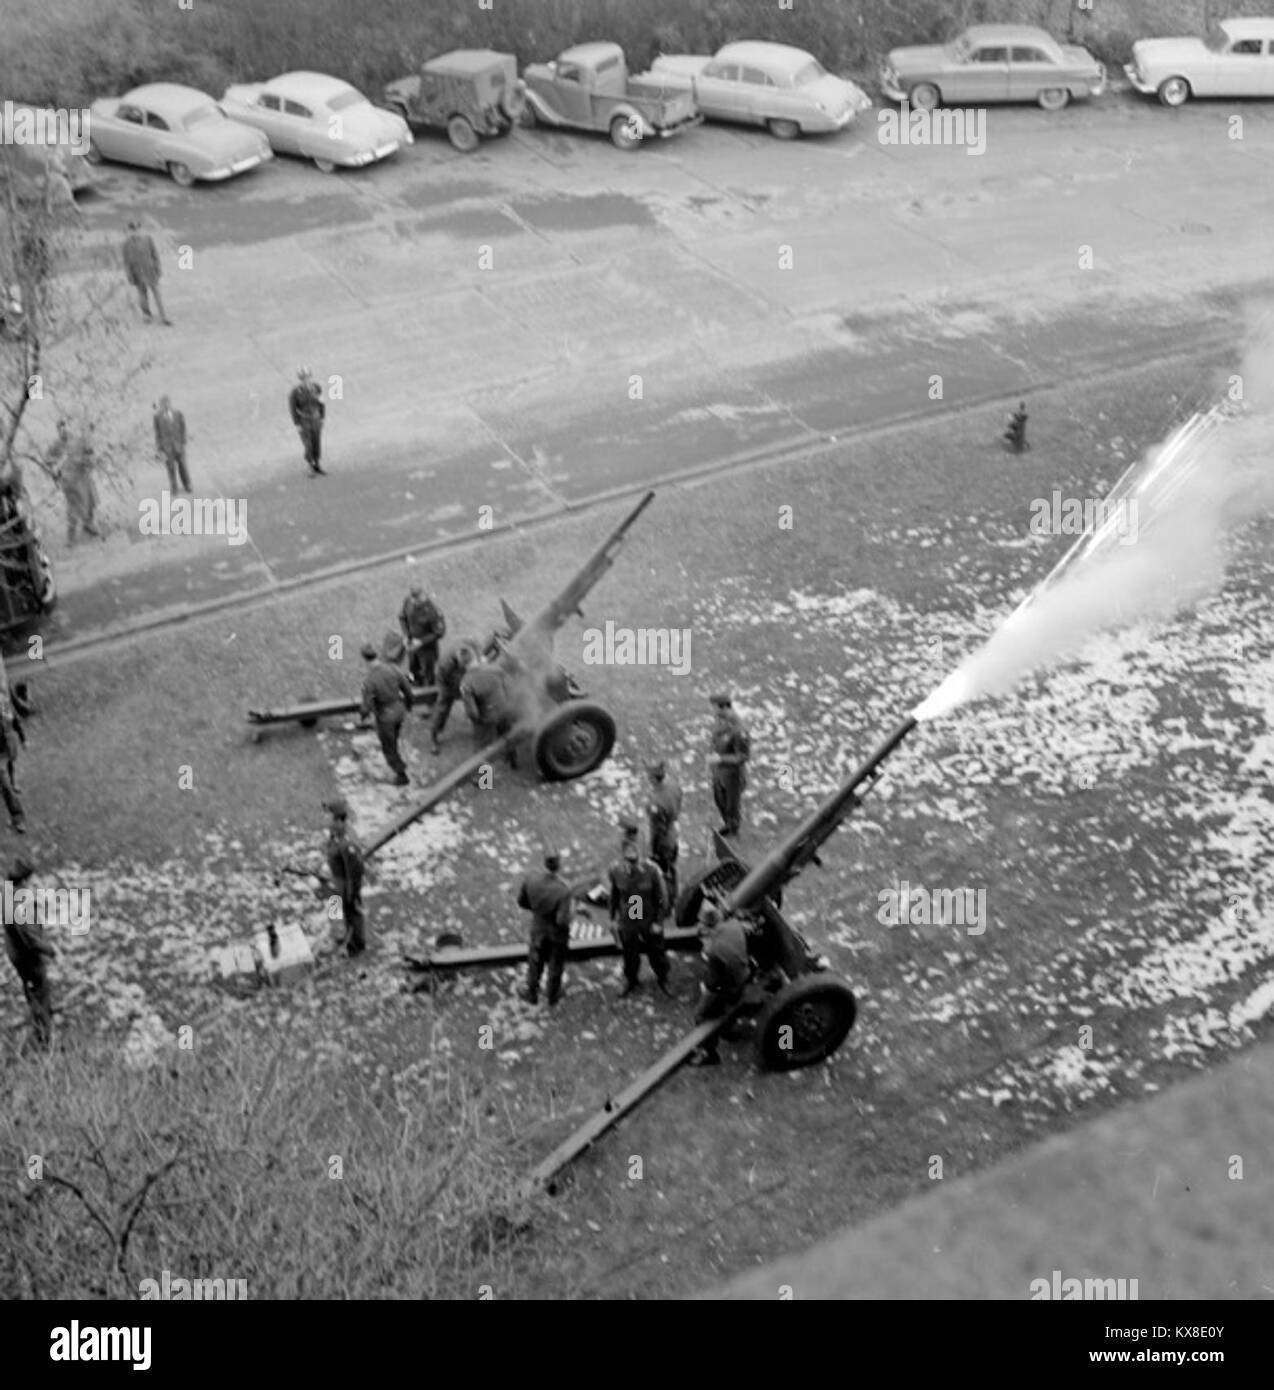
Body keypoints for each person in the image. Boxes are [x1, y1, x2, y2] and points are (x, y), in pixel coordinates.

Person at [688, 903, 751, 1067]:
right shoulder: (735, 925)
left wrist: (705, 988)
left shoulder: (713, 950)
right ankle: (728, 1031)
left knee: (700, 1016)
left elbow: (713, 983)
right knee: (730, 1007)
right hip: (743, 975)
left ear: (707, 927)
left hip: (728, 986)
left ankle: (710, 1054)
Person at [3, 856, 54, 1049]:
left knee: (33, 990)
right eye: (31, 878)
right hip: (27, 957)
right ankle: (44, 1041)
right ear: (24, 880)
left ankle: (40, 1021)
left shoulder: (9, 894)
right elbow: (30, 938)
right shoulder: (21, 902)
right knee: (40, 991)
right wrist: (50, 950)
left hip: (16, 953)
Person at [608, 840, 671, 997]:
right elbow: (614, 895)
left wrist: (659, 922)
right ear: (623, 858)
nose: (632, 863)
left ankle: (663, 978)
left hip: (648, 919)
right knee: (629, 953)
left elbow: (663, 899)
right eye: (628, 860)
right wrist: (612, 918)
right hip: (628, 920)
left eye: (635, 859)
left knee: (656, 952)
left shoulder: (652, 871)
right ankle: (631, 980)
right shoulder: (616, 871)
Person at [517, 850, 574, 1006]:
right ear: (559, 864)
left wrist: (538, 911)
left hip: (538, 928)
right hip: (557, 935)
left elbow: (522, 902)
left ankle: (531, 992)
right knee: (556, 964)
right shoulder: (563, 890)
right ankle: (552, 995)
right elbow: (562, 920)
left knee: (535, 961)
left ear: (544, 862)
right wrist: (574, 913)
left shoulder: (531, 879)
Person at [359, 641, 413, 785]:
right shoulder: (393, 669)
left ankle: (401, 775)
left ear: (365, 660)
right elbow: (407, 690)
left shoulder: (369, 681)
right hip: (400, 711)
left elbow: (366, 706)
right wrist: (408, 706)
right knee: (393, 738)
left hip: (385, 717)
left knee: (388, 747)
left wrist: (363, 716)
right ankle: (396, 751)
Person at [322, 797, 366, 957]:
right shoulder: (336, 834)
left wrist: (351, 894)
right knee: (334, 908)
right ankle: (338, 936)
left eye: (329, 816)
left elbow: (354, 872)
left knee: (351, 914)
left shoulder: (348, 843)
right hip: (335, 882)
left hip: (345, 886)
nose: (326, 820)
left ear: (339, 819)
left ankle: (355, 945)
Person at [46, 418, 100, 545]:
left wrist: (87, 463)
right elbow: (47, 459)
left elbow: (89, 453)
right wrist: (55, 468)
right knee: (72, 508)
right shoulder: (56, 445)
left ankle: (88, 526)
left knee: (89, 501)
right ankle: (71, 538)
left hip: (82, 477)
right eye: (60, 428)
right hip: (68, 481)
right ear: (58, 431)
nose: (63, 431)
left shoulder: (76, 440)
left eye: (64, 427)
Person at [708, 693, 750, 837]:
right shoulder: (721, 720)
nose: (712, 711)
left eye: (714, 707)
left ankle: (733, 832)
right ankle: (727, 825)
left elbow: (743, 756)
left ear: (724, 707)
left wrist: (720, 759)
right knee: (720, 802)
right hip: (719, 774)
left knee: (732, 808)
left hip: (733, 776)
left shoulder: (739, 729)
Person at [429, 638, 478, 753]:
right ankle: (434, 736)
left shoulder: (470, 647)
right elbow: (441, 681)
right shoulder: (445, 664)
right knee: (441, 711)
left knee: (475, 706)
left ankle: (479, 729)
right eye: (463, 665)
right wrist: (449, 693)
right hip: (449, 687)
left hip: (466, 683)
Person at [645, 760, 682, 904]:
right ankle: (673, 896)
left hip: (663, 840)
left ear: (653, 779)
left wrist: (653, 851)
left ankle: (665, 901)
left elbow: (658, 830)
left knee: (662, 870)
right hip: (673, 831)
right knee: (671, 867)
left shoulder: (657, 802)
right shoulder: (673, 785)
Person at [122, 220, 169, 325]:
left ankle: (163, 315)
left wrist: (158, 267)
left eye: (137, 229)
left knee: (156, 292)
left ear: (140, 229)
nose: (135, 231)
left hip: (150, 270)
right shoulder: (126, 244)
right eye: (132, 230)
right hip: (137, 272)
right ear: (129, 231)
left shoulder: (148, 239)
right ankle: (147, 314)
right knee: (142, 294)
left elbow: (155, 254)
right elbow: (126, 262)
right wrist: (129, 275)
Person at [399, 585, 446, 687]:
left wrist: (421, 642)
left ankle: (429, 692)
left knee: (428, 673)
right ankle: (415, 682)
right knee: (413, 667)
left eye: (418, 600)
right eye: (413, 600)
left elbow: (439, 632)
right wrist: (406, 635)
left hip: (427, 650)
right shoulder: (408, 601)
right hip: (412, 645)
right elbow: (402, 617)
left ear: (423, 596)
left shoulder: (432, 611)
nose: (415, 603)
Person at [288, 369, 326, 475]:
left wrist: (322, 417)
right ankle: (310, 465)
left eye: (307, 377)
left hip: (316, 419)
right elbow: (293, 409)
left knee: (316, 442)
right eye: (303, 378)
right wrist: (297, 424)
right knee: (308, 444)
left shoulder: (317, 388)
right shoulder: (295, 392)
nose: (306, 380)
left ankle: (317, 464)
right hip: (304, 420)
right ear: (300, 379)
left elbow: (322, 403)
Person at [153, 396, 191, 493]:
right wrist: (159, 447)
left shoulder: (178, 414)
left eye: (167, 404)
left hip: (178, 445)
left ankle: (187, 485)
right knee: (170, 468)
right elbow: (157, 433)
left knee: (183, 466)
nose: (166, 406)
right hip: (167, 447)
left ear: (170, 404)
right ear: (161, 406)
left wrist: (183, 441)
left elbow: (183, 427)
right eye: (163, 404)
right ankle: (174, 488)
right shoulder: (157, 417)